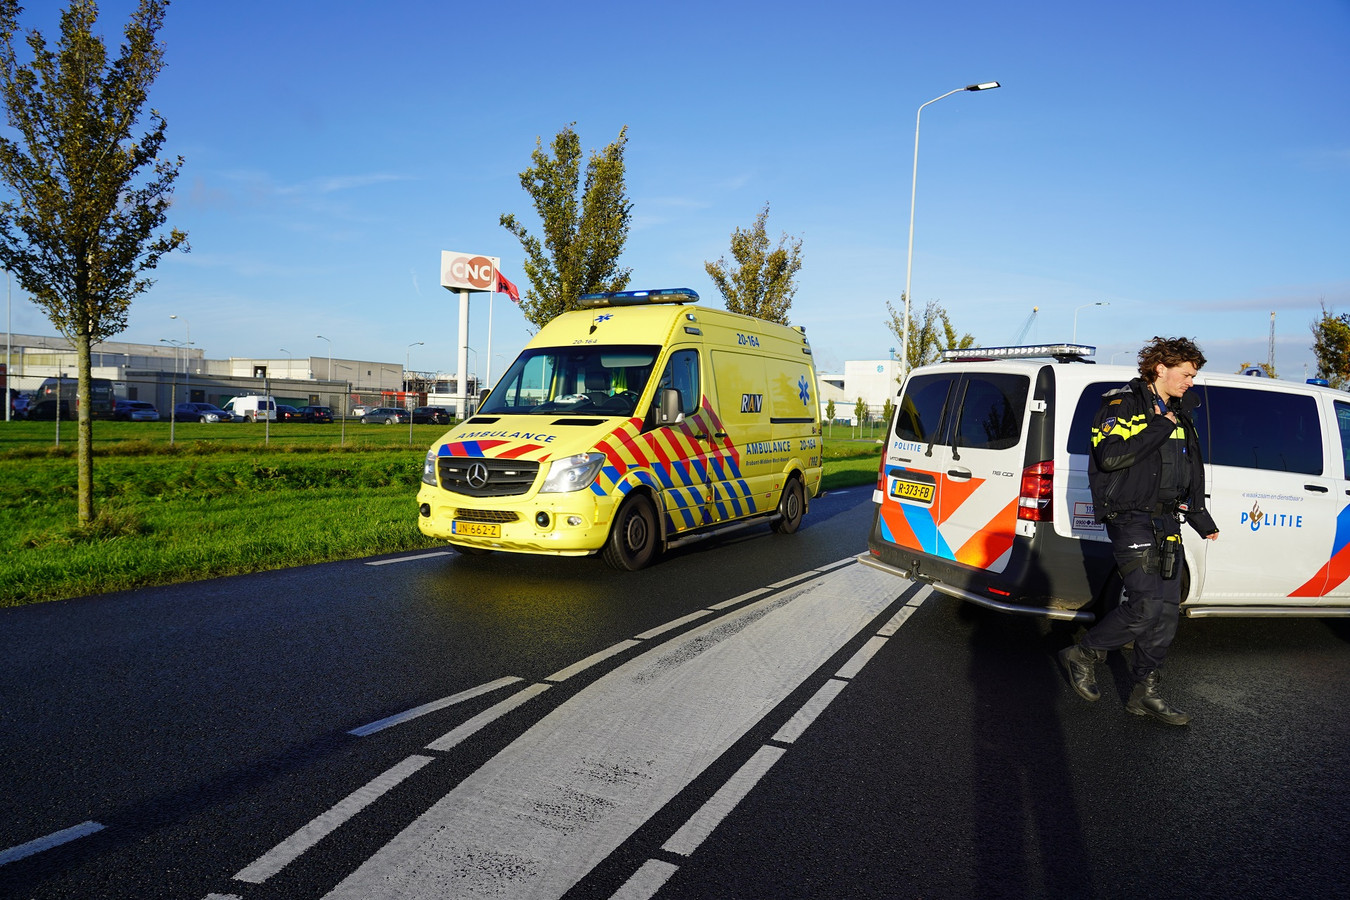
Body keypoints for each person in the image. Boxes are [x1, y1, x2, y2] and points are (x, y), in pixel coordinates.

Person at [1059, 336, 1219, 725]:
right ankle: (1084, 653)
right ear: (1161, 368)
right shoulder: (1123, 404)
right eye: (1186, 374)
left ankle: (1144, 693)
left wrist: (1200, 518)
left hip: (1167, 521)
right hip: (1131, 516)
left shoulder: (1179, 410)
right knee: (1145, 605)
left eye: (1193, 376)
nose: (1191, 382)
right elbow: (1110, 457)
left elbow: (1190, 467)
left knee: (1165, 612)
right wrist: (1160, 426)